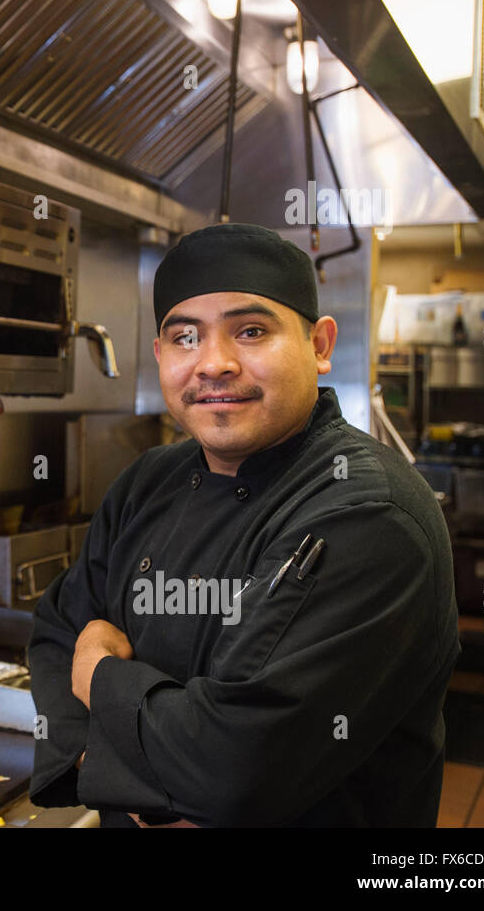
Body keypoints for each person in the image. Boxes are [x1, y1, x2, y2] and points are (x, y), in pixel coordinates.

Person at [28, 223, 459, 827]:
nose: (214, 364)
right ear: (160, 356)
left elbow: (238, 765)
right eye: (185, 337)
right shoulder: (148, 481)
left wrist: (99, 674)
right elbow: (55, 634)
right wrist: (93, 765)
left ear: (319, 344)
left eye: (251, 331)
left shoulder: (368, 513)